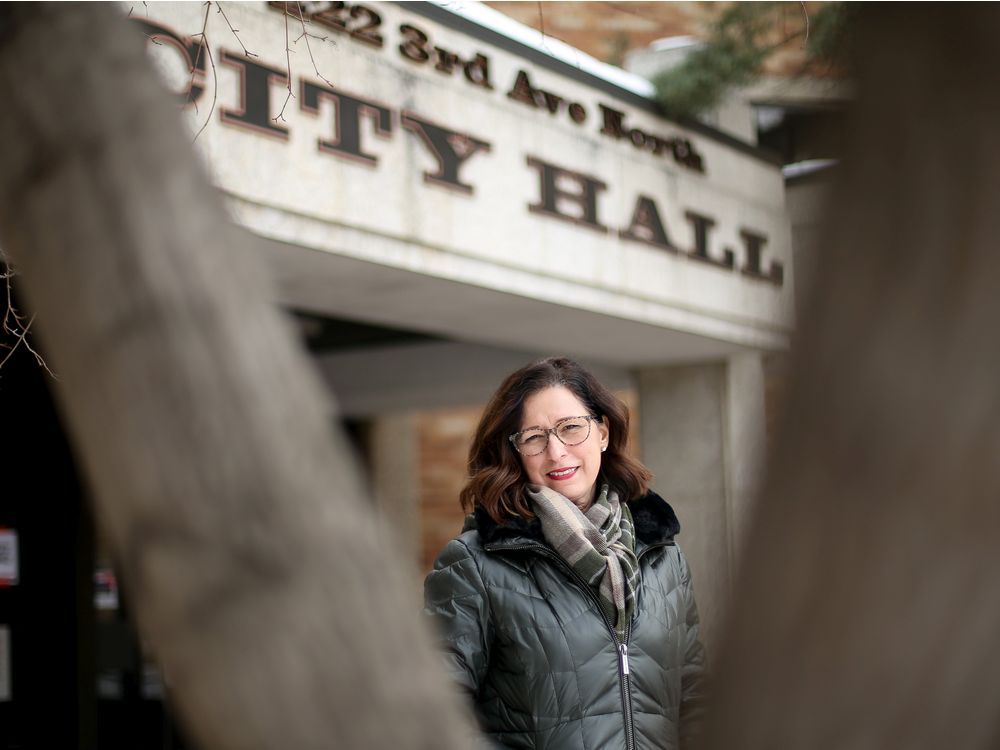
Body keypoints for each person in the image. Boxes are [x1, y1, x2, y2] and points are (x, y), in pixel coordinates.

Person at [424, 356, 706, 749]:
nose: (556, 452)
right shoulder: (474, 563)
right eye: (534, 437)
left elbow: (695, 698)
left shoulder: (662, 555)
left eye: (571, 428)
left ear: (603, 432)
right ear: (515, 452)